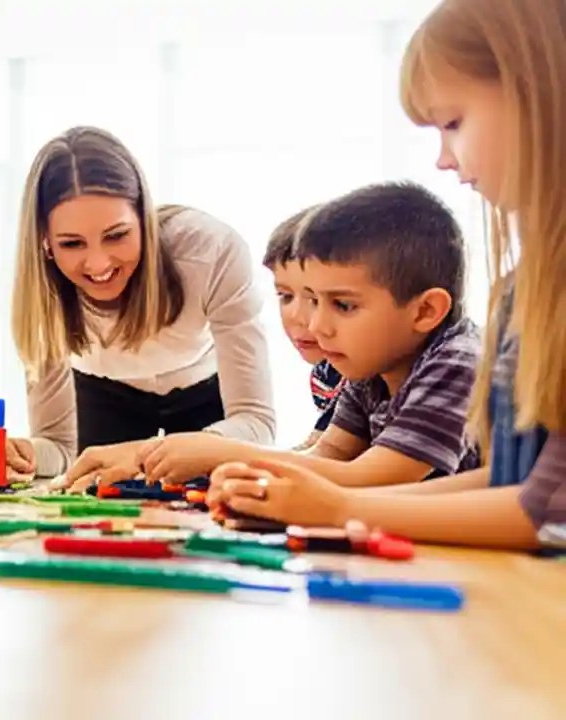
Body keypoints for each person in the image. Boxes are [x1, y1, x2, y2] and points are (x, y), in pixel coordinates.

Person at [212, 0, 566, 550]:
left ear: (540, 95)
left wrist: (339, 507)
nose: (444, 158)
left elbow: (547, 513)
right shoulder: (524, 290)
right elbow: (508, 485)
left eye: (454, 123)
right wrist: (309, 499)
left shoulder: (470, 344)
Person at [112, 182, 483, 490]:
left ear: (425, 311)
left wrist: (224, 452)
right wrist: (232, 471)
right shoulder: (371, 366)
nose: (316, 325)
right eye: (312, 300)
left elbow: (369, 477)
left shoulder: (456, 362)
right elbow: (328, 456)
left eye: (343, 305)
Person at [0, 126, 275, 485]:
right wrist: (28, 454)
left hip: (207, 394)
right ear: (44, 242)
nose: (98, 264)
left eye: (117, 235)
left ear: (144, 218)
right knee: (97, 494)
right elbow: (60, 449)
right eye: (71, 244)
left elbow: (256, 423)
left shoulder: (211, 251)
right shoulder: (43, 291)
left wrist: (146, 453)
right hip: (103, 392)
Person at [262, 204, 344, 450]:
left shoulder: (364, 376)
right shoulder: (325, 372)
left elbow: (326, 454)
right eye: (285, 296)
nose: (298, 316)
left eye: (315, 299)